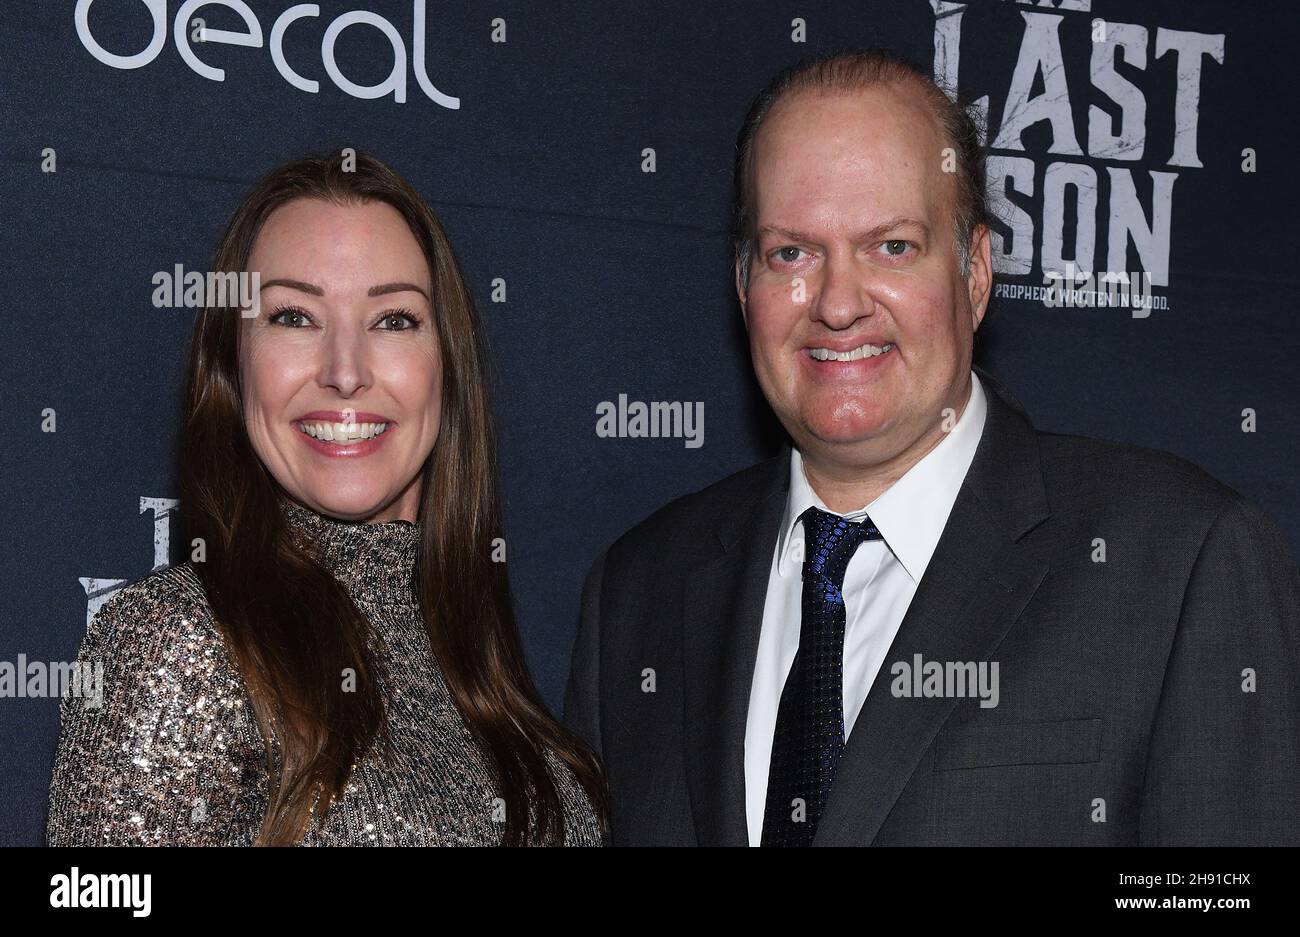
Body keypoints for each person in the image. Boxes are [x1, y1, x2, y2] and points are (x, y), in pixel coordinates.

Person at [563, 50, 1300, 846]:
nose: (838, 304)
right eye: (792, 254)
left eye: (892, 247)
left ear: (977, 275)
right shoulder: (637, 593)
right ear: (744, 288)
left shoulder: (1178, 560)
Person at [47, 151, 605, 846]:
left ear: (447, 369)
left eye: (394, 319)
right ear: (233, 366)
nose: (346, 371)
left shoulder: (487, 678)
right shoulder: (177, 640)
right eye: (294, 316)